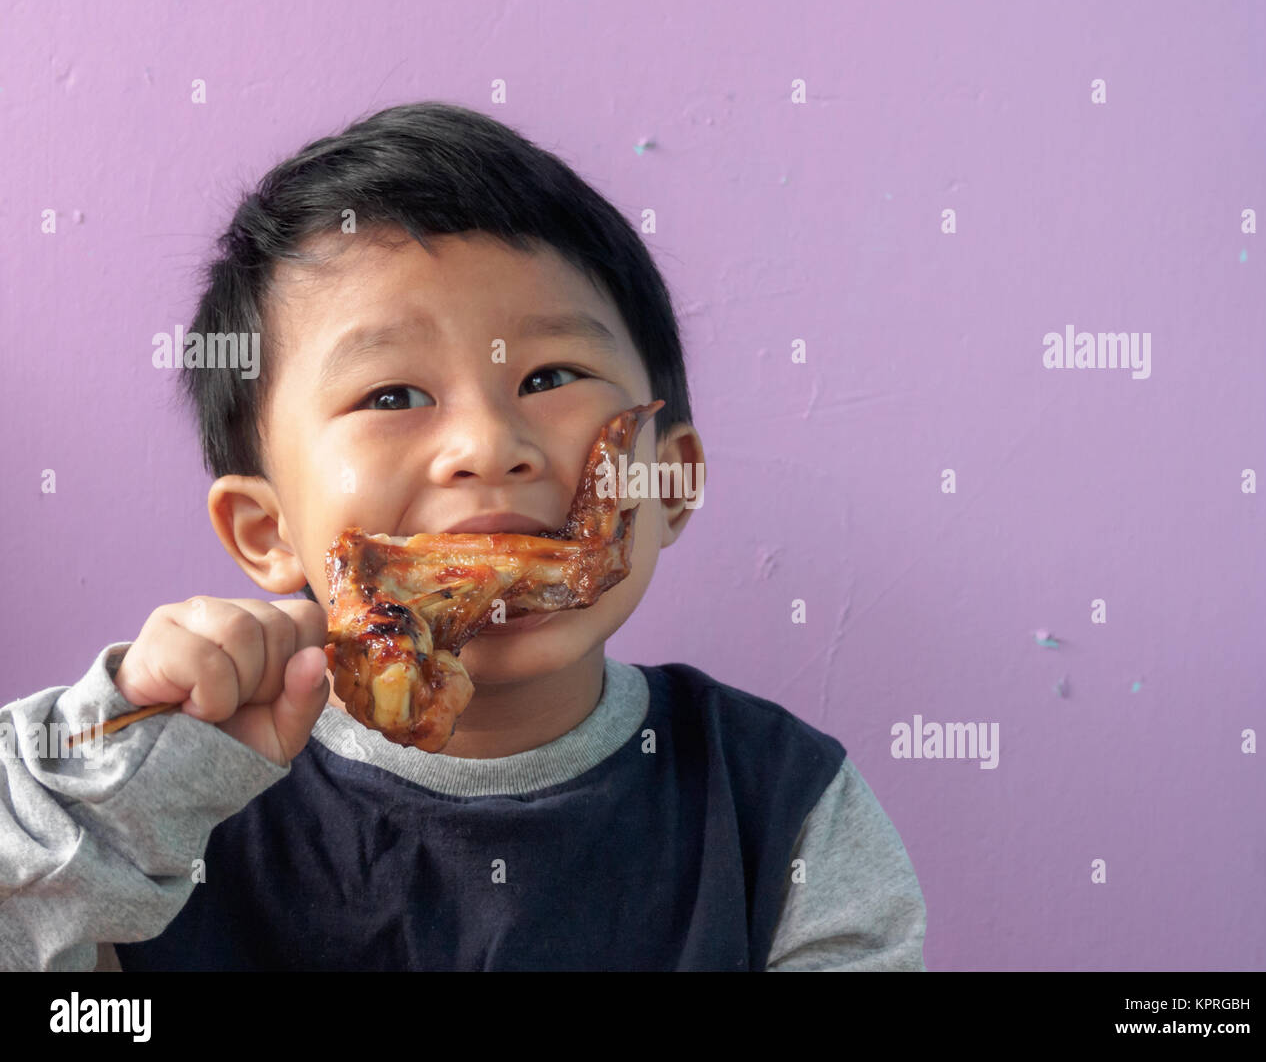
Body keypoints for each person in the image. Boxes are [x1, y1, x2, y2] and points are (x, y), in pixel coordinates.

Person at [0, 102, 925, 971]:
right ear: (267, 529)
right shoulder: (179, 795)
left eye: (551, 374)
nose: (488, 446)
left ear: (670, 478)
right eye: (392, 395)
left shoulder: (789, 809)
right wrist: (110, 767)